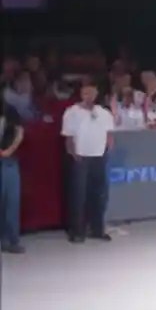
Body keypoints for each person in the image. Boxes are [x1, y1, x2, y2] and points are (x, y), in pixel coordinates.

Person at [62, 82, 114, 244]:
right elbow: (68, 136)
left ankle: (97, 229)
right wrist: (72, 151)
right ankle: (77, 231)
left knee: (100, 194)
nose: (89, 96)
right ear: (81, 94)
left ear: (96, 93)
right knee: (79, 195)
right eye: (85, 93)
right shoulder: (72, 112)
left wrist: (108, 148)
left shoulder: (104, 113)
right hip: (81, 157)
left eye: (92, 92)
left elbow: (109, 134)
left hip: (99, 156)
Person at [0, 103, 24, 253]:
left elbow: (19, 132)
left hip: (8, 160)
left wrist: (10, 150)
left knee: (11, 201)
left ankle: (11, 240)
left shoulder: (9, 109)